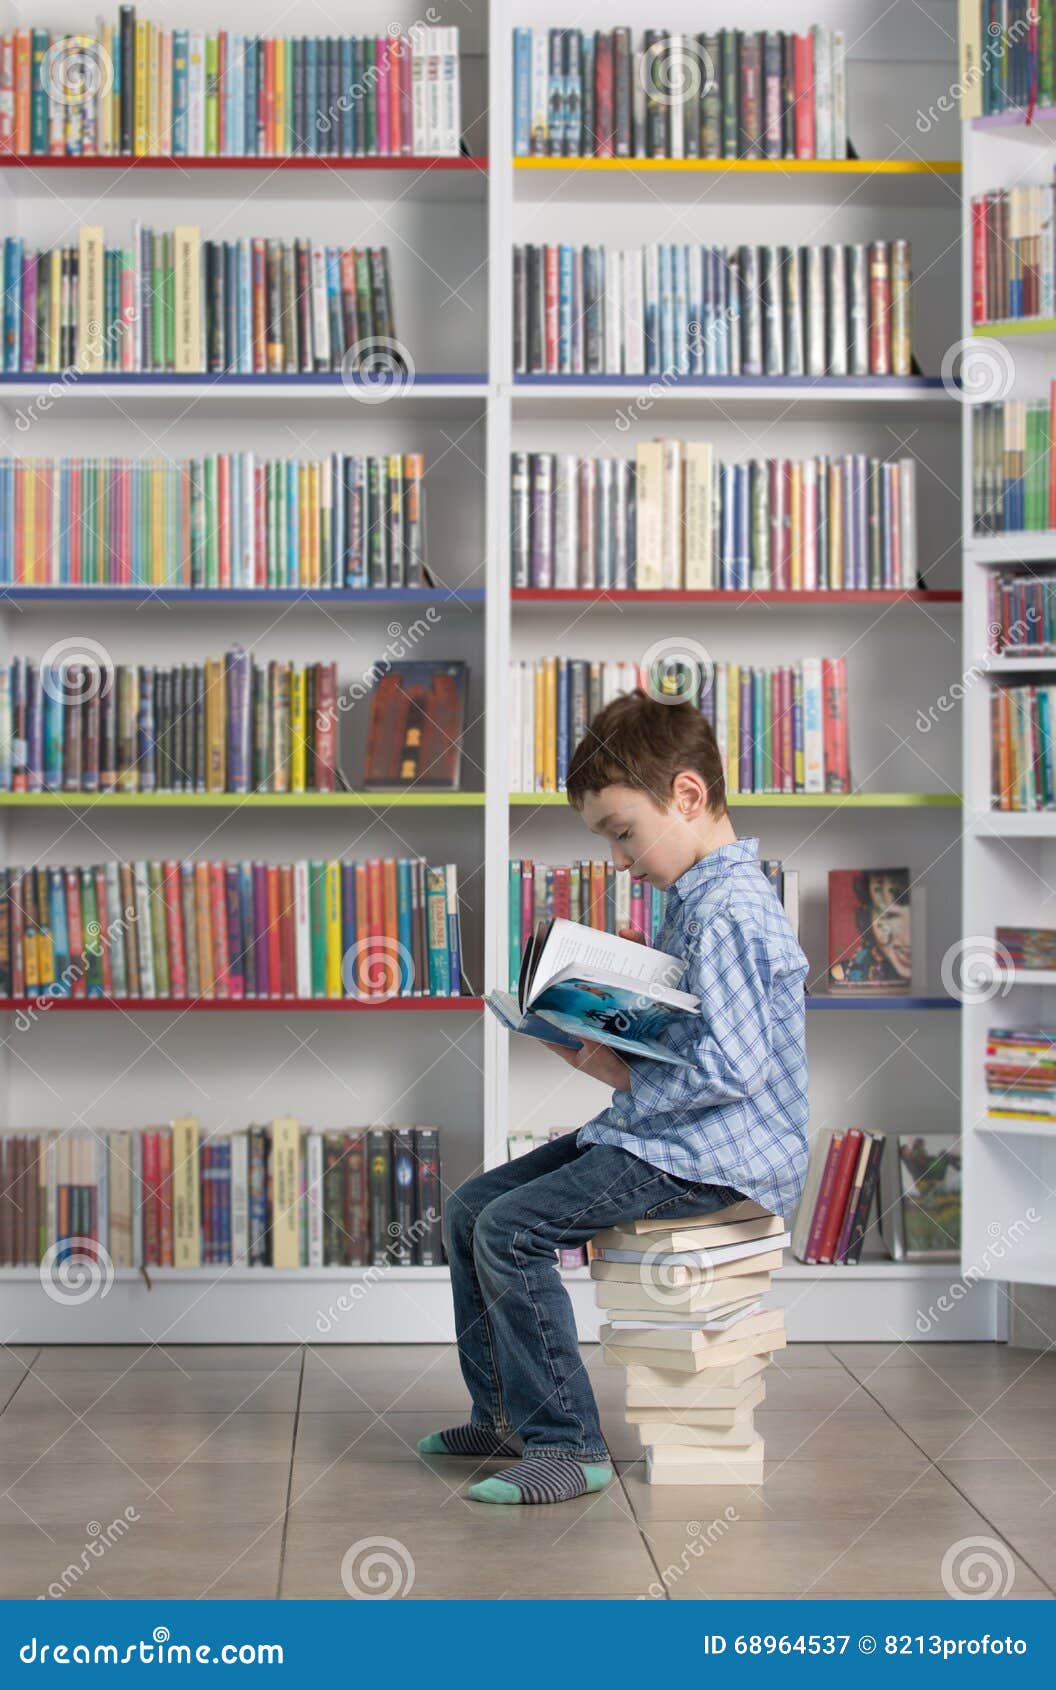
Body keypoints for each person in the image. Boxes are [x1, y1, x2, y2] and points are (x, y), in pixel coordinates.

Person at [418, 688, 810, 1505]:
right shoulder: (697, 897)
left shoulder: (730, 910)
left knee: (511, 1229)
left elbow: (734, 1069)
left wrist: (620, 1073)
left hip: (711, 1154)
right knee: (470, 1209)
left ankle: (568, 1444)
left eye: (623, 833)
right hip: (666, 1134)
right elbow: (693, 1033)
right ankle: (504, 1415)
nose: (621, 859)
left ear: (688, 795)